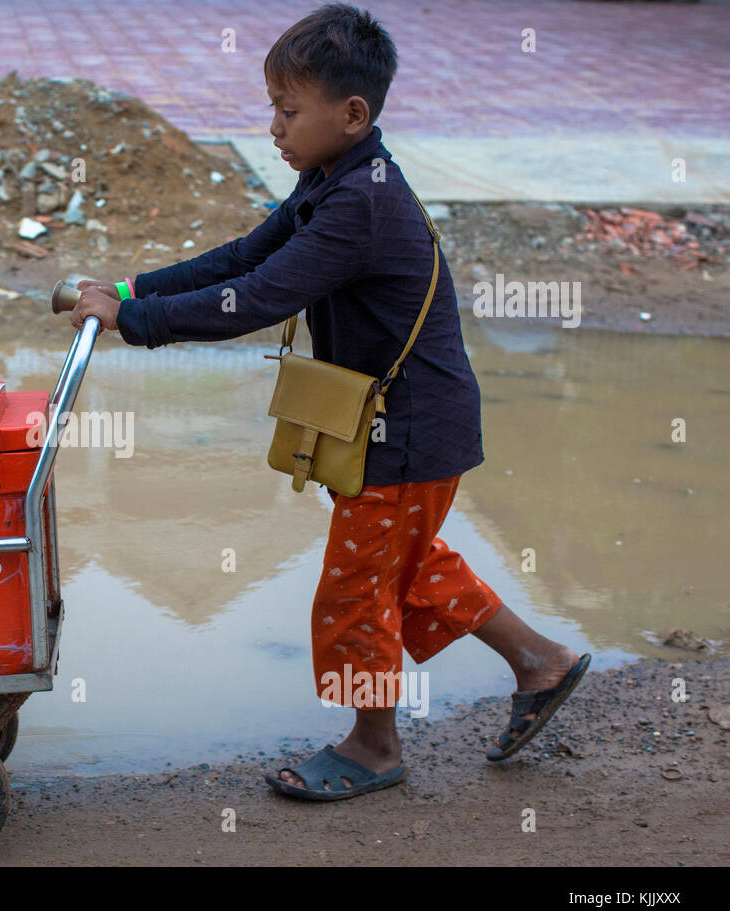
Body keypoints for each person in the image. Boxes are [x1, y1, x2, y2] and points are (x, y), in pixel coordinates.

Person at [62, 2, 589, 801]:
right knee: (404, 566)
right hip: (404, 424)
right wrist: (131, 290)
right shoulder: (333, 178)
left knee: (354, 588)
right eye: (273, 107)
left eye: (287, 109)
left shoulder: (361, 204)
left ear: (352, 114)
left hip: (407, 431)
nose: (274, 126)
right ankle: (540, 662)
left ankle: (373, 747)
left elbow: (265, 295)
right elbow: (245, 255)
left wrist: (134, 322)